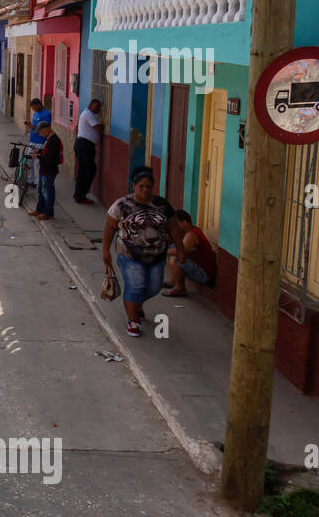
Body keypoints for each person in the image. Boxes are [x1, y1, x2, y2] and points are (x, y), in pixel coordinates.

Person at [101, 167, 189, 338]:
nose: (145, 190)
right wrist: (105, 252)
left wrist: (180, 248)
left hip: (157, 255)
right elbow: (109, 228)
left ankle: (136, 304)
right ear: (134, 185)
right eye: (141, 186)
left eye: (149, 186)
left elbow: (173, 228)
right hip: (129, 254)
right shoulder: (121, 205)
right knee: (136, 286)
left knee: (154, 287)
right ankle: (133, 321)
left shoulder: (162, 205)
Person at [162, 210, 217, 297]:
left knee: (175, 258)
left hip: (204, 274)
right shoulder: (186, 232)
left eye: (177, 224)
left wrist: (162, 251)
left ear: (184, 222)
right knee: (171, 248)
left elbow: (180, 251)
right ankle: (173, 281)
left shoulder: (192, 234)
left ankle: (180, 288)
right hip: (198, 268)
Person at [28, 122, 61, 220]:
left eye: (41, 132)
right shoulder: (49, 139)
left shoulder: (54, 140)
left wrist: (37, 156)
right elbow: (46, 152)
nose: (40, 134)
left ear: (47, 129)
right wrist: (39, 151)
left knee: (48, 192)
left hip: (49, 170)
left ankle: (48, 213)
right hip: (44, 170)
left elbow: (50, 157)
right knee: (40, 191)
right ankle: (40, 209)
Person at [73, 98, 103, 204]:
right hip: (84, 145)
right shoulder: (88, 113)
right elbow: (98, 128)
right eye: (96, 106)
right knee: (86, 171)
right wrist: (102, 126)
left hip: (85, 145)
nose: (98, 109)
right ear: (90, 105)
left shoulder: (87, 114)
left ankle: (79, 193)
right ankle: (80, 195)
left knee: (86, 170)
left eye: (99, 107)